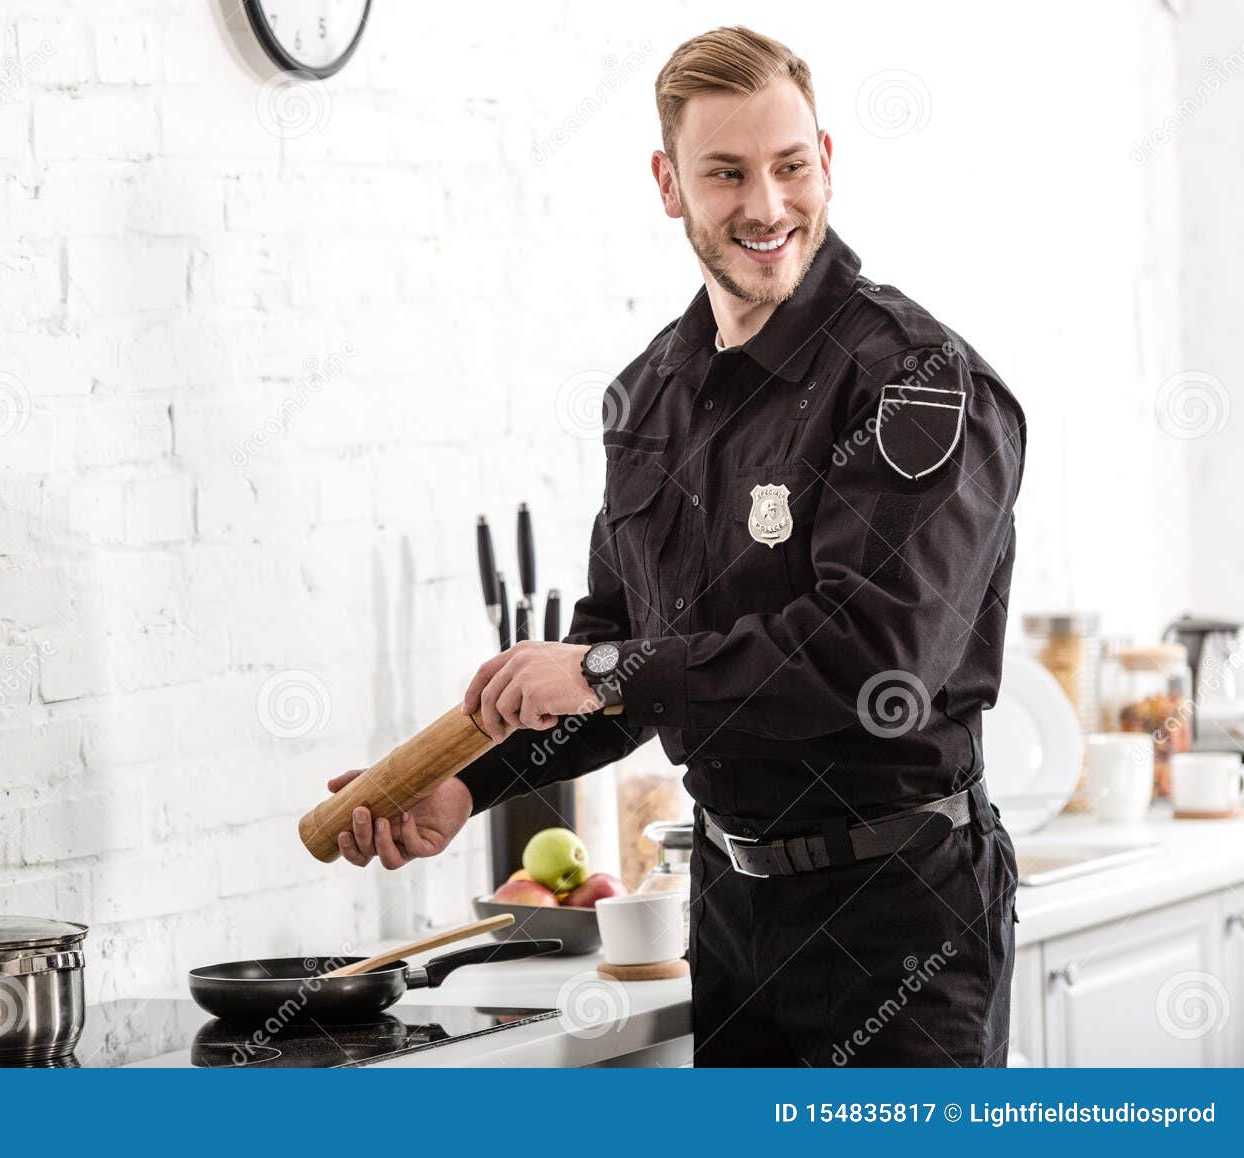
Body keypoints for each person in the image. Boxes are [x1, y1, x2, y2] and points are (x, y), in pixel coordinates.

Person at [325, 25, 1024, 1068]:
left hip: (901, 920)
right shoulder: (650, 396)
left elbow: (879, 660)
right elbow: (622, 658)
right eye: (726, 173)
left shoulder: (912, 381)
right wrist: (466, 786)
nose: (766, 205)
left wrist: (602, 671)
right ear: (668, 184)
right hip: (733, 919)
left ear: (826, 161)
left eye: (790, 167)